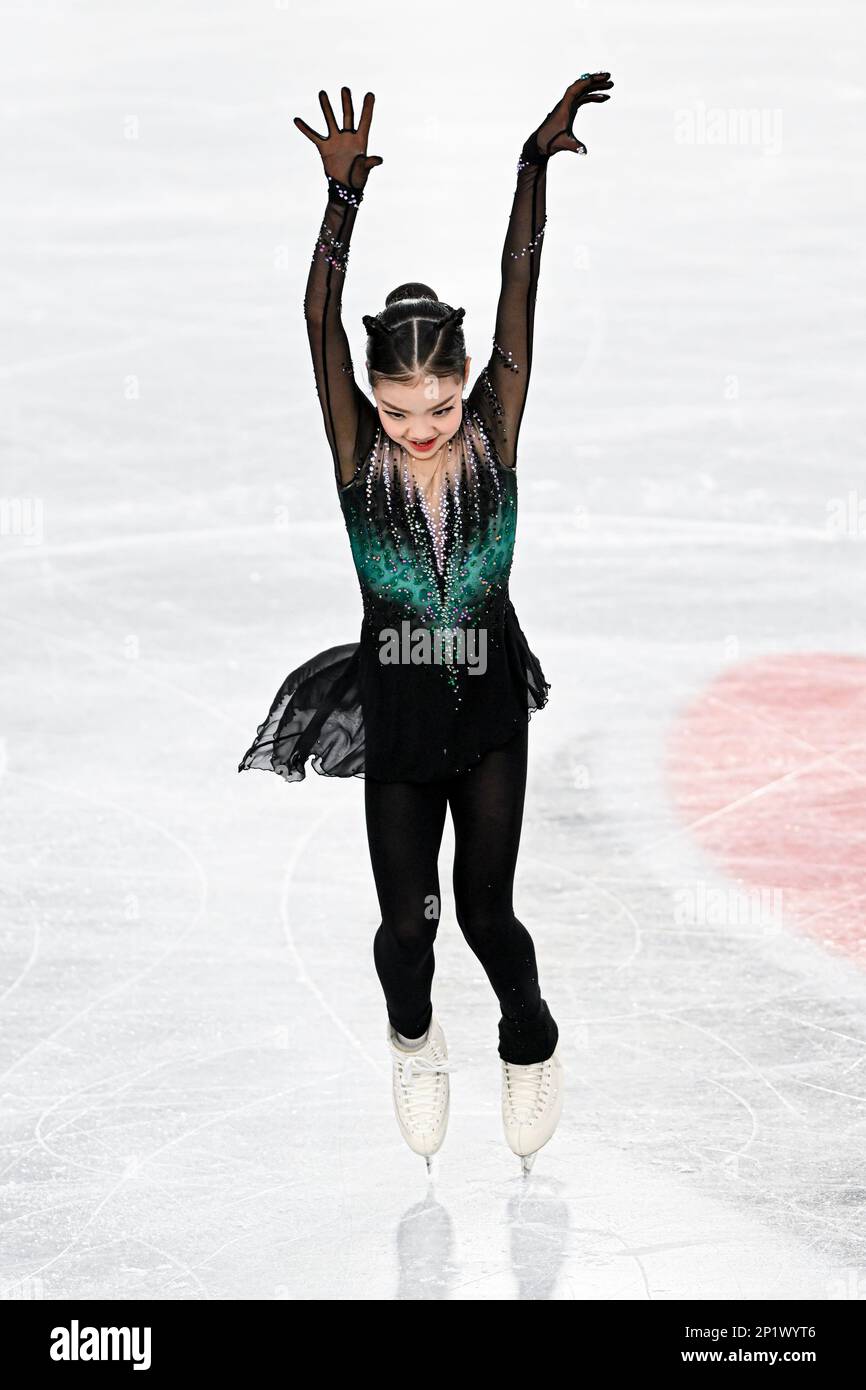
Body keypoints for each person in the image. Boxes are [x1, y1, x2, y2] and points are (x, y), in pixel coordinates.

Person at [238, 75, 614, 1175]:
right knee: (410, 931)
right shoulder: (357, 453)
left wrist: (531, 167)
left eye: (439, 405)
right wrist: (340, 202)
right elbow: (317, 320)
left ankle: (529, 1038)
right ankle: (414, 1041)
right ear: (371, 398)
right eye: (399, 409)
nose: (420, 427)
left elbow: (518, 283)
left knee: (488, 918)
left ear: (466, 385)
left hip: (488, 709)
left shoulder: (495, 425)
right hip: (398, 715)